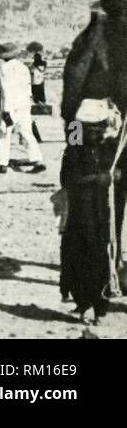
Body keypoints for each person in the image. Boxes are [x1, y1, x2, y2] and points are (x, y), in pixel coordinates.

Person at [56, 97, 125, 324]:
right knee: (84, 255)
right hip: (82, 209)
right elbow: (69, 176)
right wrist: (100, 178)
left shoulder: (106, 143)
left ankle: (97, 307)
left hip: (100, 209)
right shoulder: (77, 143)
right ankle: (85, 303)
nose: (99, 130)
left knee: (99, 256)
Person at [0, 42, 45, 173]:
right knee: (27, 133)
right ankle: (37, 160)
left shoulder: (5, 68)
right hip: (24, 105)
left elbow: (6, 90)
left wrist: (5, 110)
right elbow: (28, 88)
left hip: (11, 106)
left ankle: (1, 163)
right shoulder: (23, 67)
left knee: (3, 134)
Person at [29, 41, 48, 107]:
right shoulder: (44, 63)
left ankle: (37, 102)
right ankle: (42, 103)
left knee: (35, 92)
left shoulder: (33, 65)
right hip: (41, 79)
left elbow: (31, 72)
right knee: (41, 92)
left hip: (34, 80)